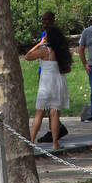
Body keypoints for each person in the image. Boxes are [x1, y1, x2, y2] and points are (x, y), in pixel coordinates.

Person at [25, 23, 72, 150]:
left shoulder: (45, 51)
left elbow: (27, 56)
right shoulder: (62, 52)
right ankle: (55, 143)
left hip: (47, 83)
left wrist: (39, 44)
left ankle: (31, 141)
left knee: (39, 113)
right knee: (55, 113)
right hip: (59, 81)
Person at [36, 12, 68, 142]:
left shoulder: (55, 35)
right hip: (44, 70)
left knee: (49, 104)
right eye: (43, 20)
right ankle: (57, 127)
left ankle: (53, 130)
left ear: (53, 20)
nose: (45, 22)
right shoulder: (44, 34)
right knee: (48, 104)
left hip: (52, 72)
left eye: (47, 20)